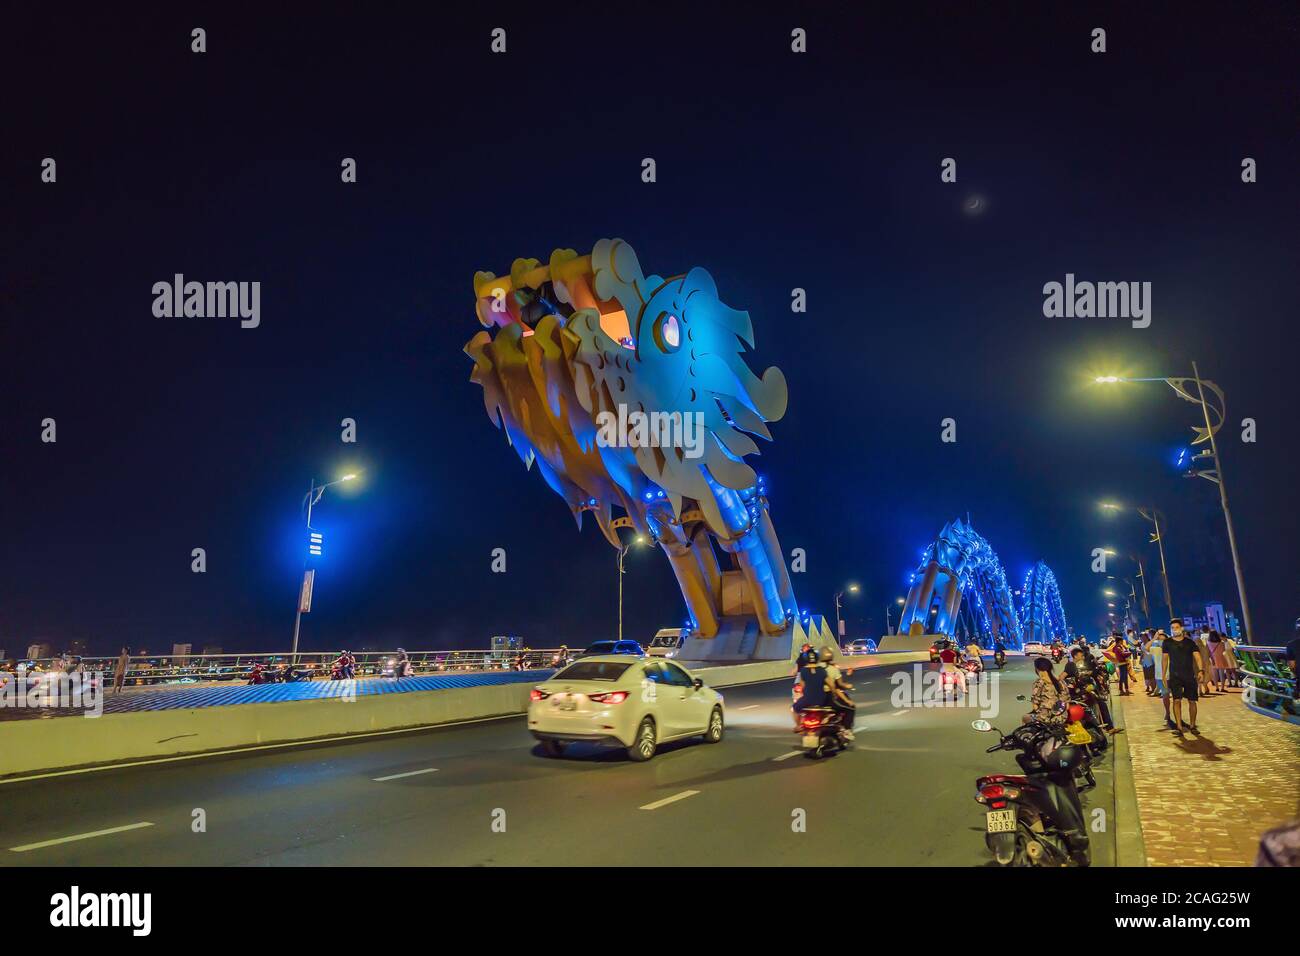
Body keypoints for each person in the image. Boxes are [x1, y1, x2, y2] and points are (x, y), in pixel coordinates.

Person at [1162, 618, 1205, 736]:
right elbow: (1165, 659)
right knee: (1176, 700)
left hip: (1189, 676)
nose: (1174, 630)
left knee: (1192, 701)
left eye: (1176, 627)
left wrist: (1201, 671)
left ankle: (1192, 726)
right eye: (1172, 628)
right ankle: (1179, 727)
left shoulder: (1190, 642)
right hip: (1175, 676)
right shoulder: (1167, 642)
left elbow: (1197, 656)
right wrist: (1164, 675)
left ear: (1181, 628)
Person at [1065, 646, 1116, 732]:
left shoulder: (1076, 665)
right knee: (1100, 703)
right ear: (1075, 656)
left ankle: (1108, 727)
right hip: (1077, 693)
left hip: (1082, 690)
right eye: (1081, 656)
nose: (1083, 657)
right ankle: (1108, 727)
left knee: (1100, 702)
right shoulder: (1070, 665)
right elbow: (1063, 677)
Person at [821, 648, 856, 740]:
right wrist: (848, 686)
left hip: (812, 698)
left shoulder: (811, 669)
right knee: (850, 707)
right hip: (827, 698)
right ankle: (847, 730)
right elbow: (837, 686)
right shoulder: (832, 670)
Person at [1024, 657, 1068, 727]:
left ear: (1037, 669)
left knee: (1025, 718)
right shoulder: (1061, 682)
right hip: (1061, 718)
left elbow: (1035, 706)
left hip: (1045, 719)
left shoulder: (1039, 683)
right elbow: (1067, 705)